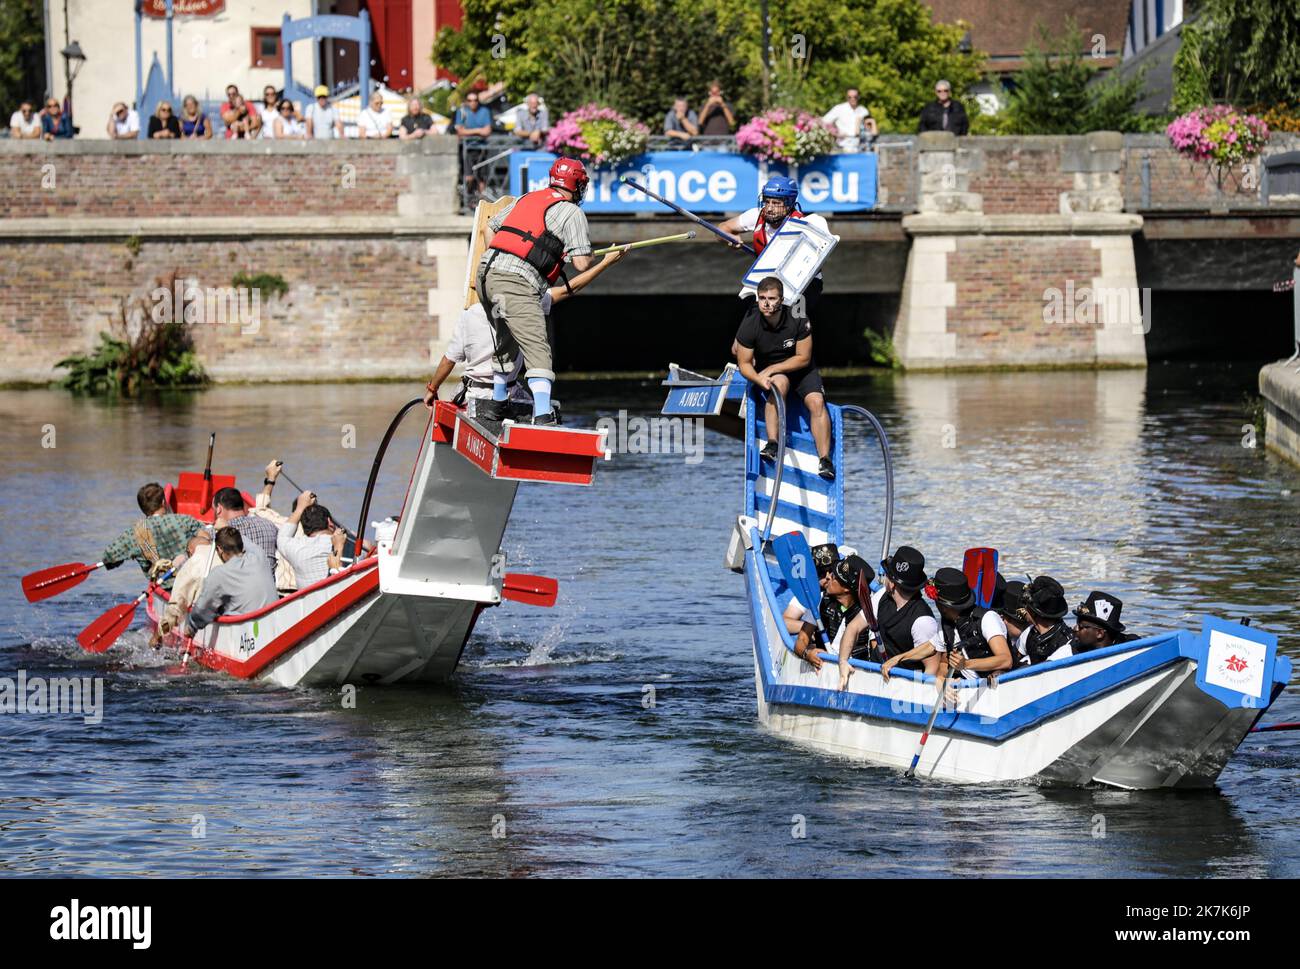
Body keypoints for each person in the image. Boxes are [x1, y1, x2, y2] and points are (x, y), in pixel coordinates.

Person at [424, 247, 628, 414]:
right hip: (511, 391)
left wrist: (432, 389)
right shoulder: (527, 303)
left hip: (475, 393)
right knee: (542, 409)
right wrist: (605, 263)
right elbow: (569, 288)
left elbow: (448, 360)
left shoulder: (470, 315)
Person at [475, 157, 594, 426]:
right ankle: (542, 415)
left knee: (506, 338)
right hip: (515, 284)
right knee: (537, 347)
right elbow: (582, 263)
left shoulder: (528, 198)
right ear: (577, 185)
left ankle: (498, 403)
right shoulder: (572, 212)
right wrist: (590, 253)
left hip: (486, 277)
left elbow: (487, 228)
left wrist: (503, 260)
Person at [734, 276, 835, 480]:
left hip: (800, 367)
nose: (767, 303)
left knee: (816, 402)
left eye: (772, 298)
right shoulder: (750, 322)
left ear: (781, 299)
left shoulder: (798, 316)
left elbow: (803, 358)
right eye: (762, 298)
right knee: (778, 388)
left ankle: (825, 460)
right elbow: (744, 363)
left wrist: (771, 368)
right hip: (774, 372)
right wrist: (759, 379)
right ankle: (773, 443)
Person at [718, 175, 829, 325]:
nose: (769, 208)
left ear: (789, 204)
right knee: (747, 330)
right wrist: (730, 238)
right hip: (771, 283)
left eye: (776, 203)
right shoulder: (756, 215)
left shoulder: (802, 225)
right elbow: (721, 229)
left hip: (803, 285)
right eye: (767, 201)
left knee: (792, 327)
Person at [838, 546, 940, 689]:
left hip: (904, 687)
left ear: (892, 583)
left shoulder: (923, 621)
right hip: (874, 676)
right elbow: (853, 628)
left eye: (887, 575)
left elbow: (932, 668)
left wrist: (914, 694)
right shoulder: (881, 597)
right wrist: (843, 661)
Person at [101, 483, 203, 589]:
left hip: (163, 587)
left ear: (143, 508)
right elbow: (208, 536)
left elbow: (108, 556)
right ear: (163, 502)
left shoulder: (134, 534)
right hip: (193, 583)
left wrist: (126, 556)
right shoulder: (185, 520)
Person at [183, 528, 278, 638]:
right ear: (241, 545)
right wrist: (227, 528)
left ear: (219, 549)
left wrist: (191, 626)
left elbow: (203, 609)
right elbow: (248, 543)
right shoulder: (259, 556)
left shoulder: (219, 574)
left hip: (249, 633)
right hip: (273, 625)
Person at [928, 567, 1015, 682]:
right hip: (962, 686)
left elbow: (1006, 660)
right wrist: (941, 680)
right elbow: (944, 662)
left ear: (943, 606)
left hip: (995, 688)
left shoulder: (988, 619)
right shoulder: (945, 623)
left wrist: (966, 664)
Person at [211, 487, 278, 578]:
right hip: (269, 588)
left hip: (237, 588)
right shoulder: (269, 525)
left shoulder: (215, 533)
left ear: (219, 509)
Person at [277, 492, 338, 587]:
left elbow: (282, 537)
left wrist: (300, 508)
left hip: (311, 600)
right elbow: (367, 546)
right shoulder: (343, 542)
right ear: (330, 522)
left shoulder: (296, 548)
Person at [1018, 575, 1077, 664]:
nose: (1024, 609)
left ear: (1034, 612)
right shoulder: (1029, 633)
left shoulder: (1067, 643)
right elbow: (1014, 659)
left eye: (1027, 606)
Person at [455, 91, 494, 197]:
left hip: (482, 148)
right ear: (466, 102)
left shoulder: (484, 111)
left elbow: (487, 131)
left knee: (482, 177)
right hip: (466, 148)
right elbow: (460, 131)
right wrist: (478, 131)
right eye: (470, 100)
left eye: (475, 100)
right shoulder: (462, 111)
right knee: (469, 177)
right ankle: (468, 199)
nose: (473, 102)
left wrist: (469, 131)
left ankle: (481, 200)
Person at [822, 88, 875, 152]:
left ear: (859, 97)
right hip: (842, 147)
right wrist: (835, 134)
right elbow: (823, 123)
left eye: (855, 97)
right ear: (846, 97)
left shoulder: (863, 111)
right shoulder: (839, 108)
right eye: (849, 97)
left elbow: (871, 131)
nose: (852, 99)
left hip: (861, 148)